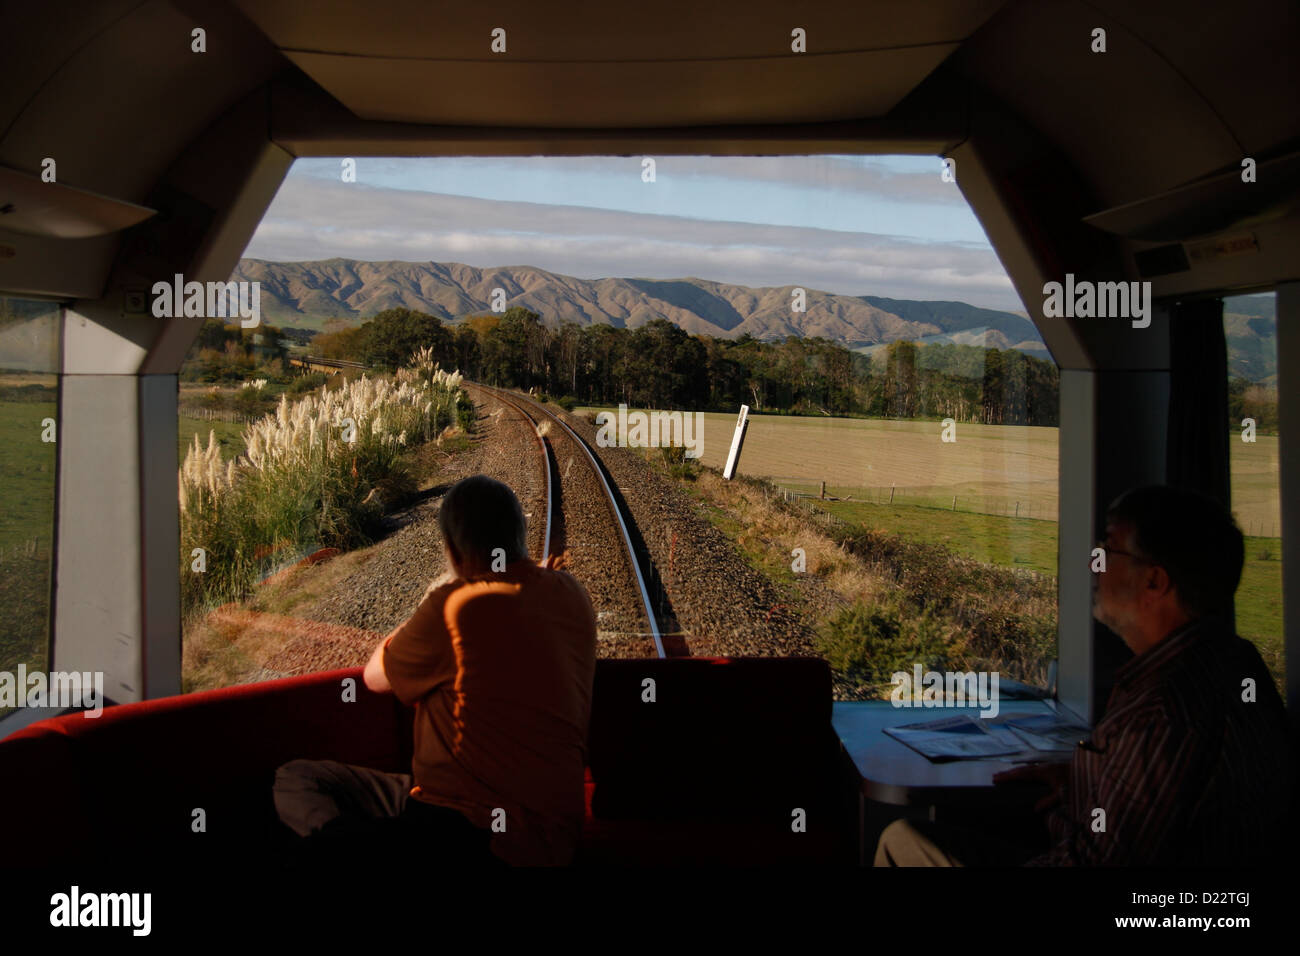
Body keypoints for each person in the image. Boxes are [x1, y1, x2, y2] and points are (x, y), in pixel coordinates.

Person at [876, 484, 1295, 866]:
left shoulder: (1163, 712)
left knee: (903, 841)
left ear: (1154, 580)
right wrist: (1087, 788)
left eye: (1109, 551)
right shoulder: (1237, 661)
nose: (1095, 564)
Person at [273, 475, 598, 866]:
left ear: (452, 550)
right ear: (520, 536)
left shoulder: (453, 606)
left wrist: (437, 591)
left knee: (297, 780)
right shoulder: (571, 593)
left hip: (470, 832)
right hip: (556, 835)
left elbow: (374, 678)